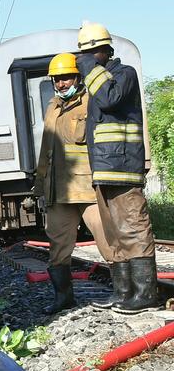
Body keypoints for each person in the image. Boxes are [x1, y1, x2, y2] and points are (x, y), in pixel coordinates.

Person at [77, 22, 161, 314]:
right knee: (115, 234)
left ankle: (146, 294)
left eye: (88, 54)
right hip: (104, 170)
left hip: (123, 168)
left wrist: (90, 68)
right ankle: (125, 293)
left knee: (133, 229)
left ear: (102, 51)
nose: (84, 60)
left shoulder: (123, 75)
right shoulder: (99, 80)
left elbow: (110, 98)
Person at [33, 53, 113, 314]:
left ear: (78, 77)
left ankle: (128, 293)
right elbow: (46, 150)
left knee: (108, 240)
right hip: (59, 191)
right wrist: (40, 186)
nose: (61, 83)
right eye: (57, 79)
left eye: (66, 77)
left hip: (89, 188)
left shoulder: (92, 103)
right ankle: (63, 299)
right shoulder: (52, 108)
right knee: (58, 247)